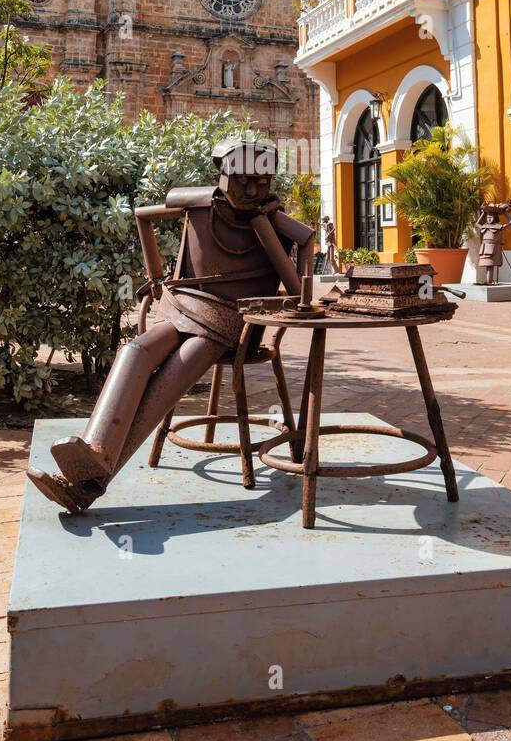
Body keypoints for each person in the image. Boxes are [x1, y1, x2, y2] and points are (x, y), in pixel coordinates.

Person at [27, 136, 314, 513]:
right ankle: (92, 455)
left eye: (262, 182)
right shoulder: (197, 204)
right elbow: (143, 215)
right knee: (135, 350)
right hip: (184, 309)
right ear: (221, 173)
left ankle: (91, 482)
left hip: (231, 325)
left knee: (176, 371)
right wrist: (156, 275)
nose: (250, 189)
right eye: (241, 179)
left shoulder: (283, 227)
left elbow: (300, 294)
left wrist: (265, 222)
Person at [476, 201, 511, 285]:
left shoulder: (498, 226)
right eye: (488, 217)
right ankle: (488, 281)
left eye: (491, 217)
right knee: (487, 265)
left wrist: (505, 213)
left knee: (491, 264)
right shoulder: (484, 226)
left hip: (494, 247)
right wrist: (483, 213)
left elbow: (510, 222)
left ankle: (489, 281)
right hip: (485, 247)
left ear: (495, 217)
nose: (489, 218)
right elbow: (477, 223)